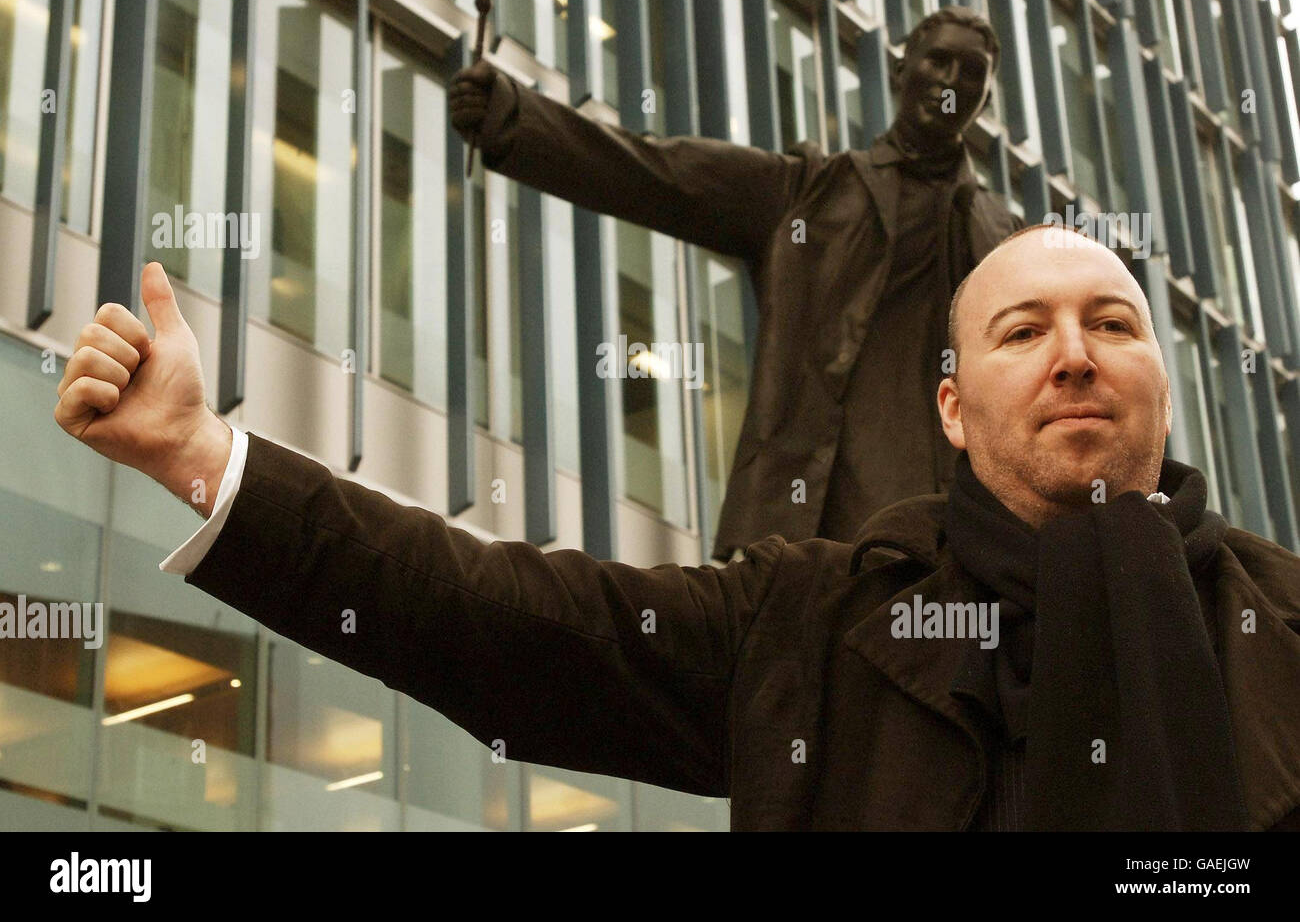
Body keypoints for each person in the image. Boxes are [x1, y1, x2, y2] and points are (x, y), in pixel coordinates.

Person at [53, 226, 1300, 830]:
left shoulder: (1282, 618)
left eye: (1114, 323)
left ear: (1163, 382)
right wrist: (204, 455)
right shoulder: (810, 617)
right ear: (952, 409)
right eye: (1023, 331)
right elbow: (495, 614)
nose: (1074, 355)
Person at [451, 6, 1022, 559]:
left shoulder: (1008, 238)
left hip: (964, 528)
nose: (950, 81)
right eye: (938, 61)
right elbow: (658, 173)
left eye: (971, 72)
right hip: (824, 517)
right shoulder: (810, 193)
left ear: (987, 98)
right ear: (902, 68)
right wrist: (513, 120)